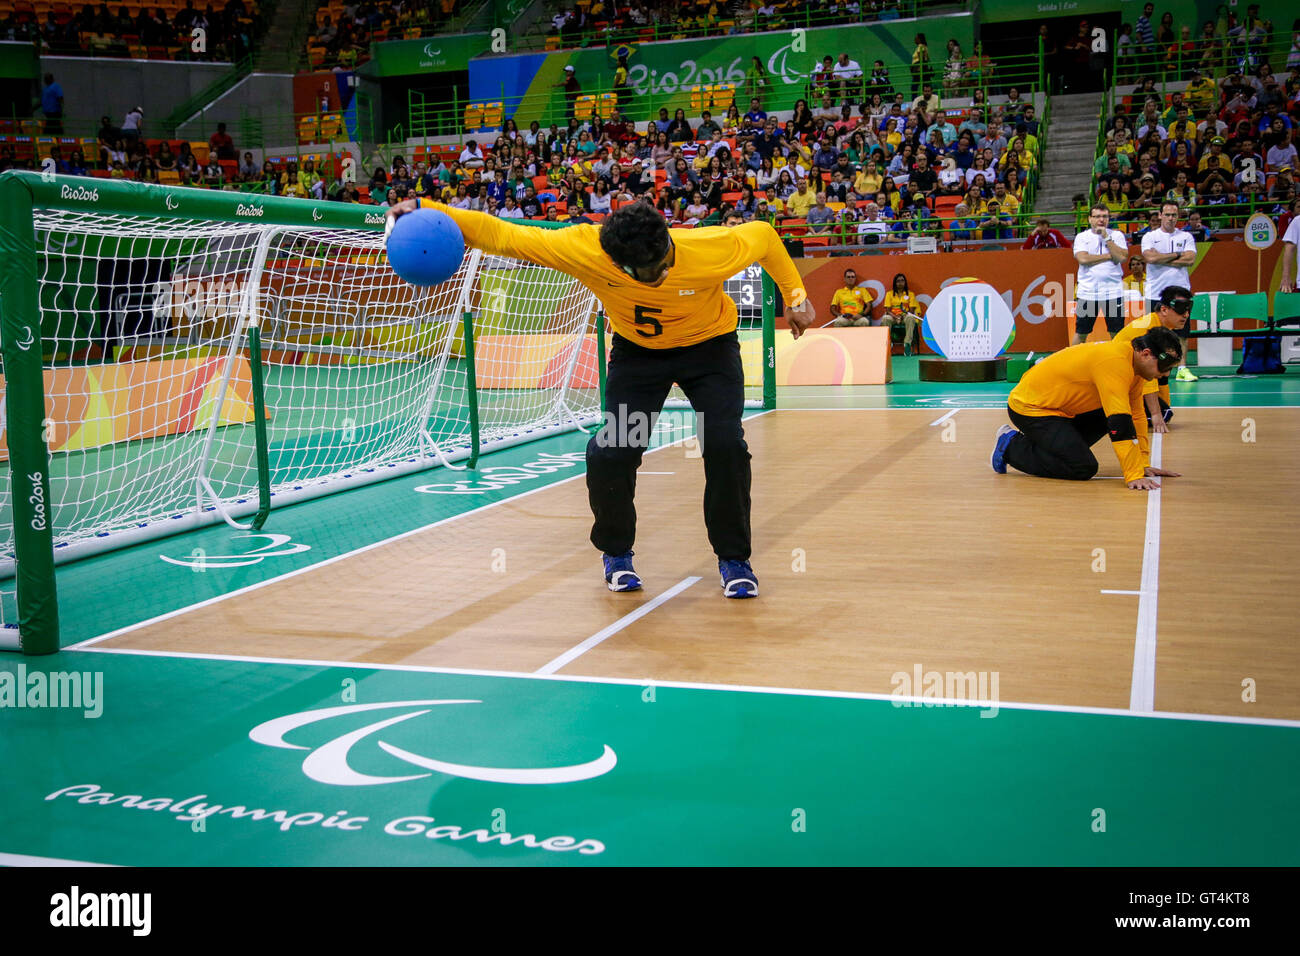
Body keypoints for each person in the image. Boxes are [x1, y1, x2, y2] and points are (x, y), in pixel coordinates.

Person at [384, 198, 814, 598]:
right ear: (617, 263)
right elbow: (501, 234)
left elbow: (764, 236)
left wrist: (796, 296)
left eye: (663, 264)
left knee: (725, 446)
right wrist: (423, 208)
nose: (659, 275)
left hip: (709, 351)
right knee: (613, 452)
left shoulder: (710, 247)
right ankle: (617, 551)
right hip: (640, 357)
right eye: (646, 274)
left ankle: (734, 559)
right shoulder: (584, 248)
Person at [990, 326, 1185, 490]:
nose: (1166, 373)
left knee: (1109, 417)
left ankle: (1049, 445)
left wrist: (1142, 464)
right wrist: (1133, 475)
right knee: (1082, 467)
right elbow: (1120, 423)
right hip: (1030, 407)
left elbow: (1136, 416)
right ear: (1146, 354)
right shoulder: (1115, 362)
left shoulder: (1134, 368)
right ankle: (1010, 447)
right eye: (1165, 366)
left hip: (1061, 409)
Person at [1113, 285, 1193, 432]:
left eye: (1188, 309)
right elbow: (1146, 378)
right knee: (1162, 413)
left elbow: (1162, 376)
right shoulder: (1148, 329)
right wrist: (1156, 414)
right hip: (1117, 380)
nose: (1186, 315)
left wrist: (1165, 407)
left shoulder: (1162, 329)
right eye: (1181, 309)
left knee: (1166, 412)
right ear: (1164, 309)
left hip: (1130, 379)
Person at [1140, 200, 1198, 381]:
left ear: (1178, 216)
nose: (1171, 218)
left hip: (1181, 293)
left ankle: (1182, 369)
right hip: (1155, 293)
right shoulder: (1149, 237)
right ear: (1160, 215)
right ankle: (1154, 368)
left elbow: (1190, 260)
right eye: (1167, 214)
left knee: (1181, 333)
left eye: (1174, 214)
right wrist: (1176, 254)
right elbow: (1150, 257)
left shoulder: (1186, 237)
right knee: (1153, 333)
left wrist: (1161, 257)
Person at [1072, 203, 1129, 344]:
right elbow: (1083, 259)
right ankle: (1073, 364)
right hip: (1087, 293)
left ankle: (1118, 364)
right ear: (1090, 219)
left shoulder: (1117, 235)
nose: (1101, 220)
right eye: (1097, 216)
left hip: (1113, 292)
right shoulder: (1081, 237)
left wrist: (1106, 237)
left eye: (1104, 216)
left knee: (1117, 334)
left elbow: (1122, 258)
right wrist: (1109, 256)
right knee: (1081, 333)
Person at [881, 272, 922, 355]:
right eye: (898, 281)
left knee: (911, 318)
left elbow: (911, 310)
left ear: (905, 282)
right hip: (893, 316)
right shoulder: (889, 294)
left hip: (905, 316)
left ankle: (907, 344)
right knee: (885, 318)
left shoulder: (910, 294)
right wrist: (896, 317)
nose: (900, 283)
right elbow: (888, 310)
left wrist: (902, 317)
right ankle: (888, 343)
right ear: (895, 283)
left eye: (902, 281)